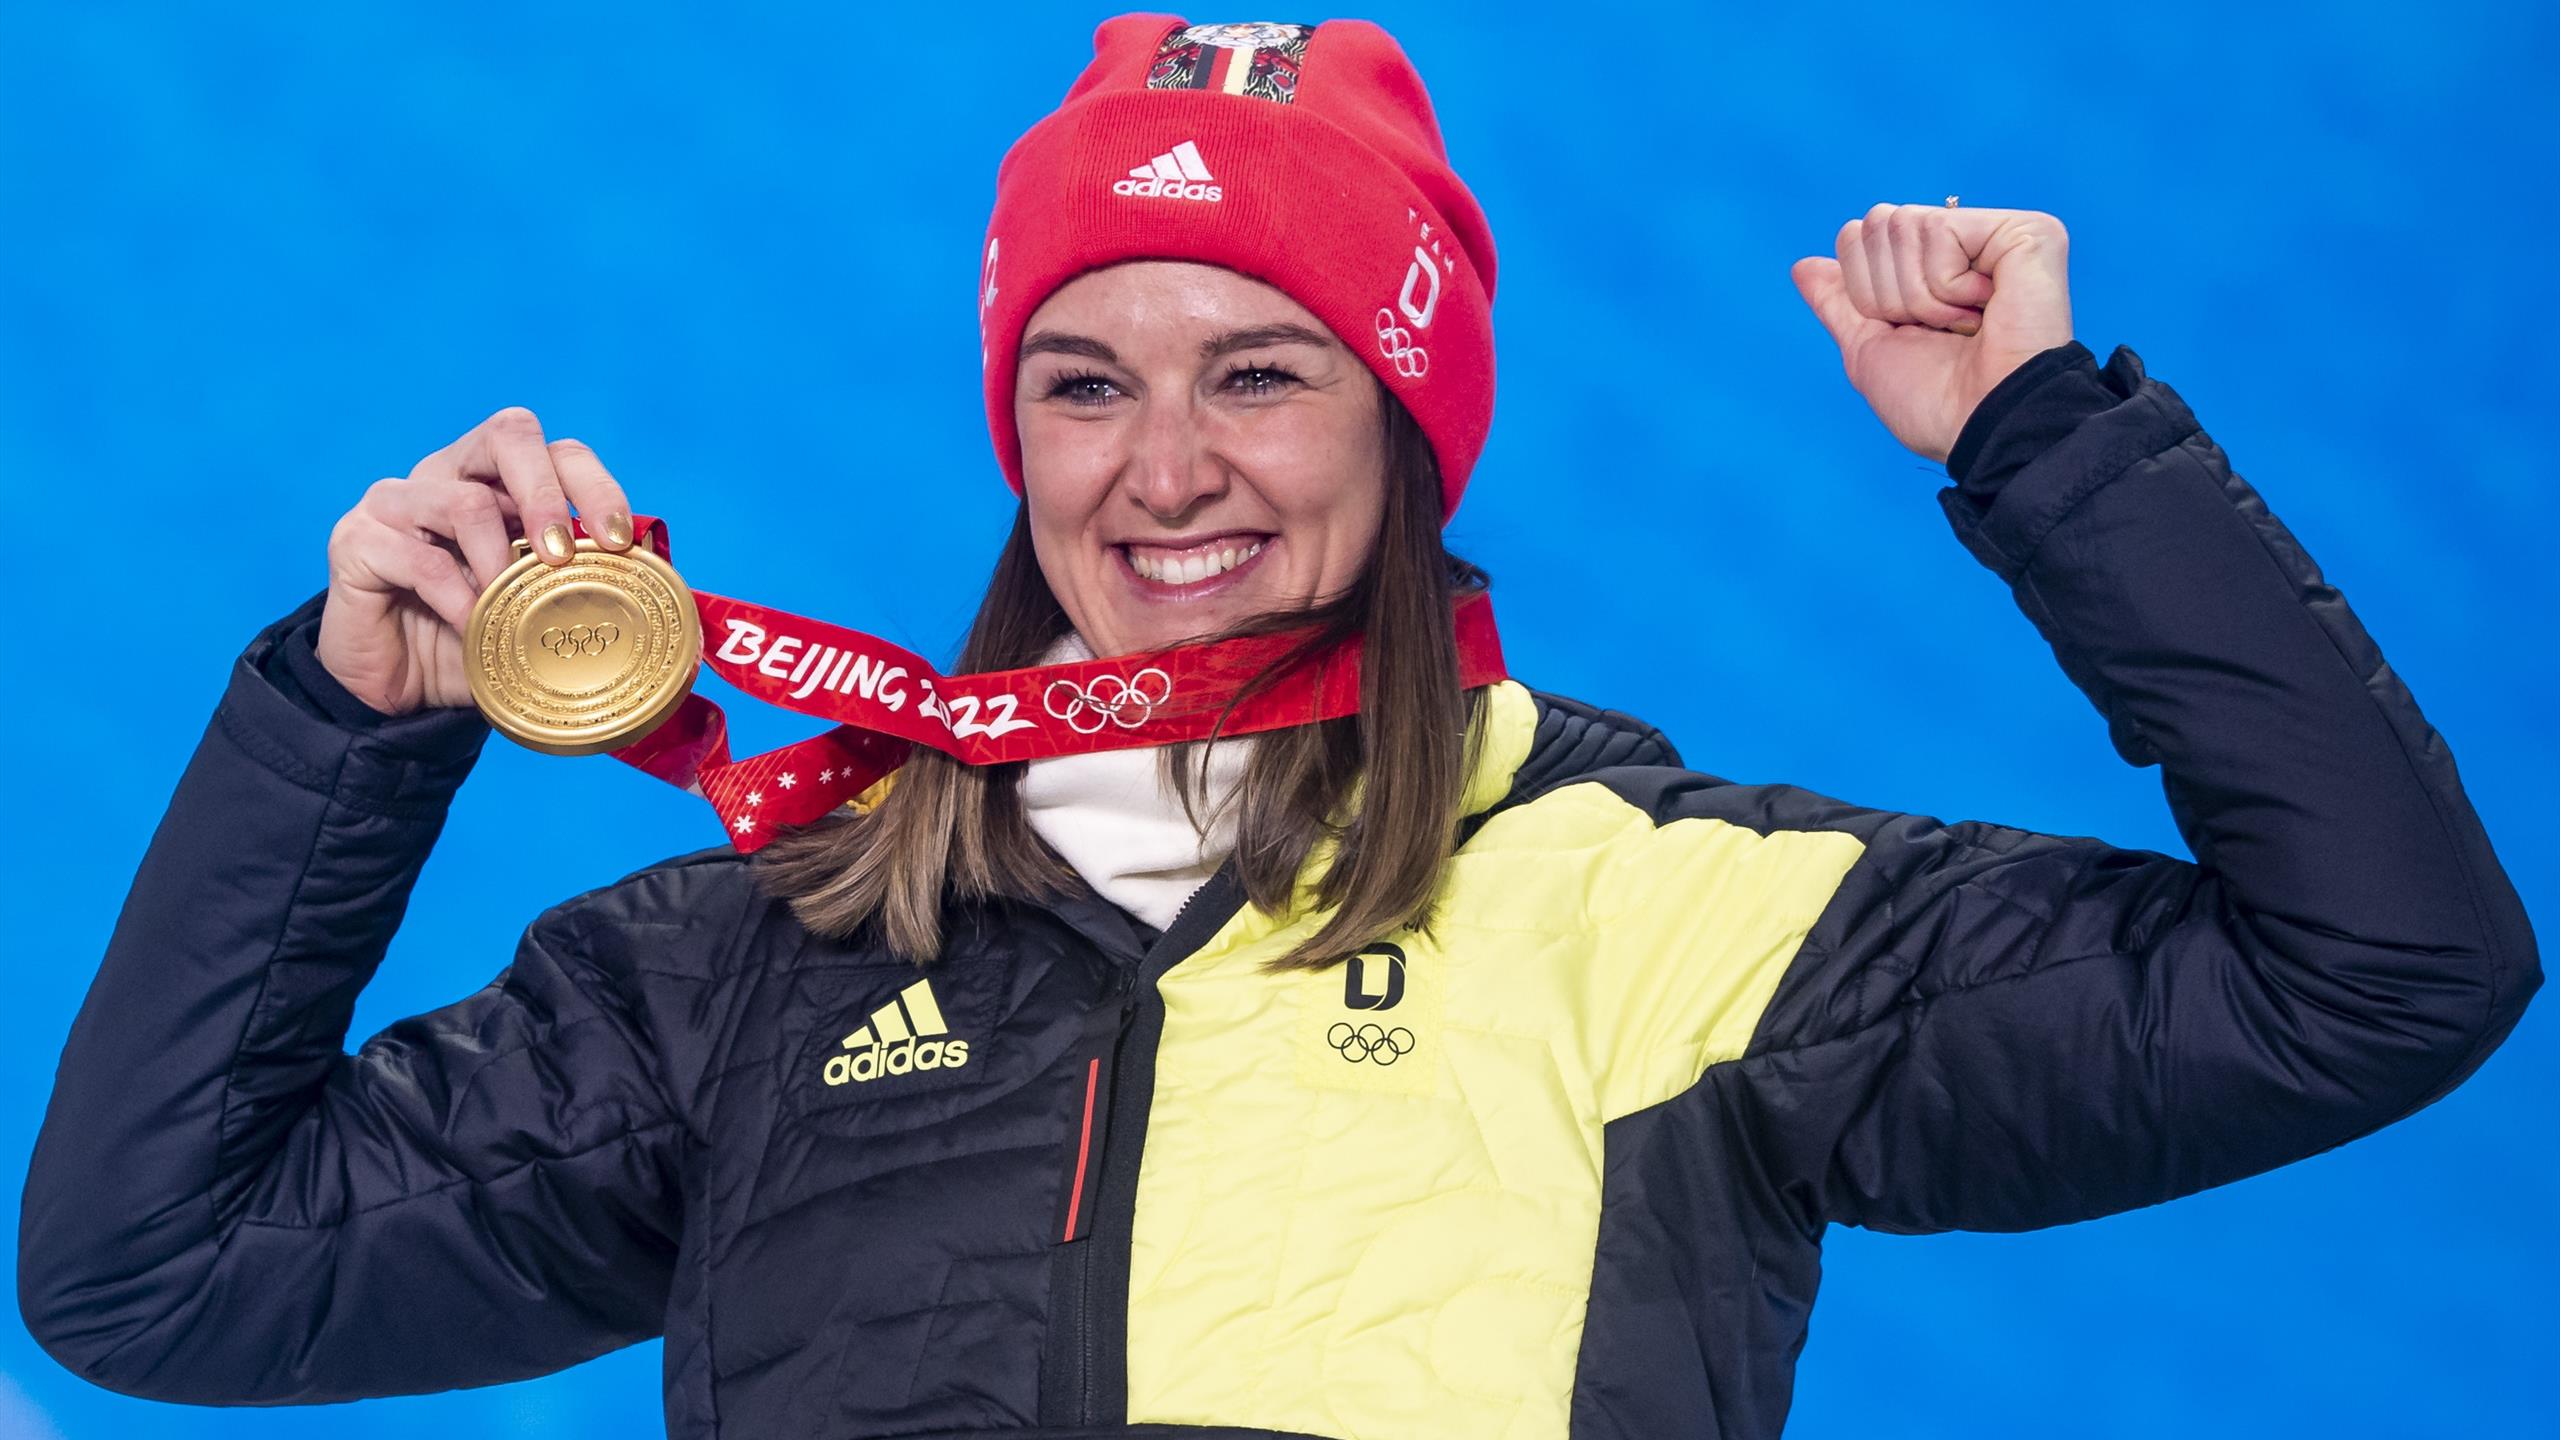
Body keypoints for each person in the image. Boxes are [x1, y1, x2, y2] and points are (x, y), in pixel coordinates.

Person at [17, 13, 2539, 1440]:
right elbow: (154, 1275)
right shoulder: (756, 958)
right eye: (1083, 380)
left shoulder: (1665, 919)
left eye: (1259, 372)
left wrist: (2042, 445)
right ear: (1015, 435)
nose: (1165, 471)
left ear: (1407, 426)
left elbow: (2382, 975)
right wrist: (349, 726)